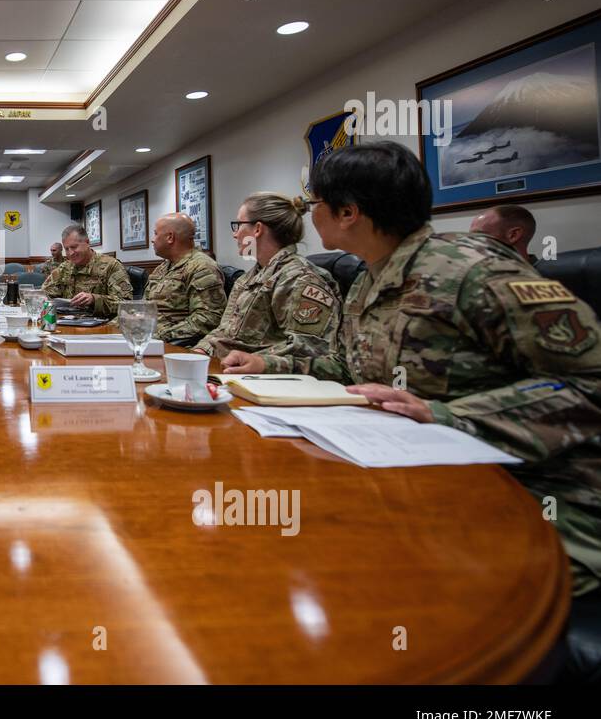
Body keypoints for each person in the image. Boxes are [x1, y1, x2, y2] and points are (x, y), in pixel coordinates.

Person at [222, 142, 601, 609]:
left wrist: (448, 415)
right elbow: (345, 366)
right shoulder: (367, 279)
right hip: (415, 476)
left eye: (314, 204)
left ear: (348, 212)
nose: (307, 217)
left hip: (538, 494)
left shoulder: (475, 271)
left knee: (388, 583)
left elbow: (588, 384)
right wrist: (268, 363)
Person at [194, 192, 341, 363]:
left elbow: (308, 350)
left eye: (238, 225)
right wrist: (200, 351)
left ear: (257, 229)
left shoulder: (299, 278)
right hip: (227, 370)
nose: (235, 234)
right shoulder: (248, 278)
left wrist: (256, 362)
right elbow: (224, 331)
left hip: (264, 379)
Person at [141, 213, 225, 343]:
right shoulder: (162, 268)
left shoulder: (202, 267)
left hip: (175, 345)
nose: (152, 239)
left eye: (156, 234)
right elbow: (143, 307)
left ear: (170, 237)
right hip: (146, 339)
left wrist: (159, 336)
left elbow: (208, 318)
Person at [42, 224, 131, 317]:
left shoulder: (111, 266)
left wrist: (94, 299)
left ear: (87, 242)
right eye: (67, 249)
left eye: (74, 247)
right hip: (67, 323)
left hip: (101, 325)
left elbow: (126, 304)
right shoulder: (64, 268)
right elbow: (44, 293)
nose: (70, 253)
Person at [470, 204, 537, 265]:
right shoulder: (482, 273)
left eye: (478, 235)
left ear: (513, 235)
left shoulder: (541, 276)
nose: (470, 242)